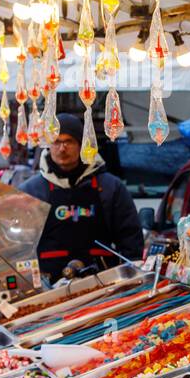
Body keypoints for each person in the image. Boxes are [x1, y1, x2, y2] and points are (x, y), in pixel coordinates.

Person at [19, 112, 144, 280]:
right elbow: (19, 247)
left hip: (103, 283)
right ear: (48, 145)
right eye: (56, 141)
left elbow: (130, 239)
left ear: (81, 144)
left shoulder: (110, 187)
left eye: (69, 141)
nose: (62, 148)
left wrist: (130, 278)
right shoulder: (32, 191)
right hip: (48, 287)